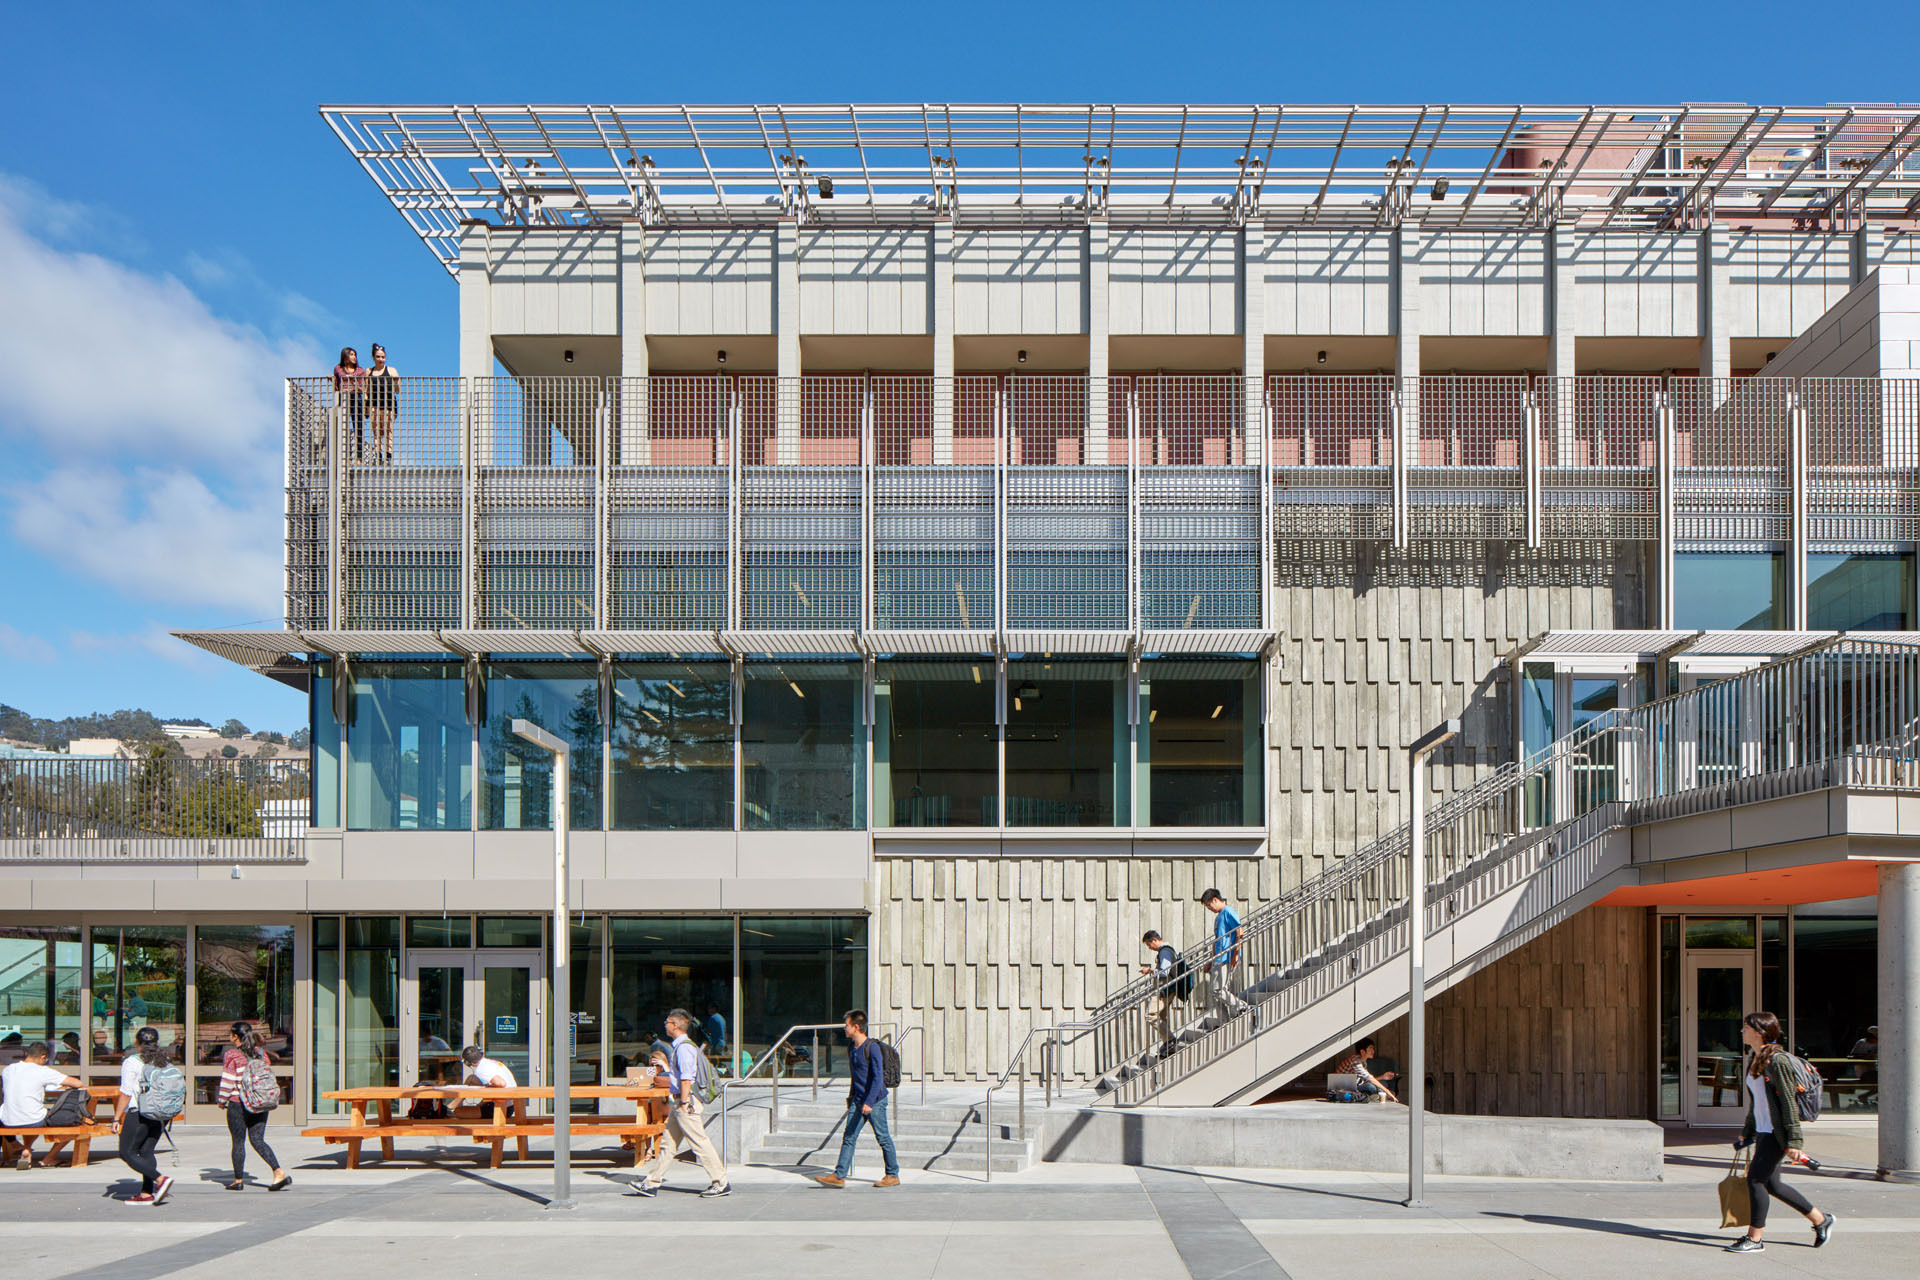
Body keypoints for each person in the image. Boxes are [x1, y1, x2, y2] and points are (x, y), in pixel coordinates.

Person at [1724, 1011, 1835, 1254]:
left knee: (1756, 1180)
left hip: (1777, 1132)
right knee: (1772, 1185)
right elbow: (1758, 1102)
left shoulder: (1778, 1061)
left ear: (1759, 1032)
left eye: (1746, 1027)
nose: (1742, 1031)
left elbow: (1788, 1103)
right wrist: (1748, 1131)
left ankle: (1754, 1238)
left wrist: (1794, 1141)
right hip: (1764, 1130)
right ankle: (1821, 1220)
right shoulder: (1756, 1058)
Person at [627, 1008, 729, 1199]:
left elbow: (686, 1078)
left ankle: (721, 1182)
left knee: (699, 1142)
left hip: (686, 1101)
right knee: (668, 1144)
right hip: (681, 1101)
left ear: (674, 1025)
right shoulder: (680, 1046)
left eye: (667, 1022)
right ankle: (651, 1183)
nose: (664, 1025)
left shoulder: (684, 1048)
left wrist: (684, 1101)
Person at [814, 1010, 901, 1189]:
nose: (844, 1028)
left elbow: (877, 1078)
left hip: (875, 1101)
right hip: (858, 1099)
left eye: (846, 1025)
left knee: (883, 1137)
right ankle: (839, 1176)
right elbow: (856, 1077)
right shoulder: (852, 1048)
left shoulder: (872, 1048)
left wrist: (869, 1102)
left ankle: (892, 1175)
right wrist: (853, 1098)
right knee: (849, 1137)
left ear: (856, 1027)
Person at [217, 1021, 290, 1192]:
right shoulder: (262, 1054)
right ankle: (278, 1171)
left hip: (238, 1103)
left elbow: (228, 1080)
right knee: (257, 1139)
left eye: (230, 1034)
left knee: (238, 1142)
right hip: (260, 1102)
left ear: (235, 1036)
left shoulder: (232, 1055)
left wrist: (222, 1100)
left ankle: (238, 1180)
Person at [0, 1040, 87, 1169]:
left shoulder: (8, 1070)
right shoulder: (42, 1071)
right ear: (43, 1057)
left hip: (7, 1120)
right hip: (33, 1119)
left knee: (31, 1113)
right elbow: (78, 1084)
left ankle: (27, 1150)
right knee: (75, 1122)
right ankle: (49, 1158)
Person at [113, 1026, 174, 1205]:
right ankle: (147, 1193)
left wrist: (116, 1117)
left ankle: (160, 1179)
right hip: (161, 1113)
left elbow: (126, 1092)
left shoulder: (131, 1062)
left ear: (137, 1043)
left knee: (126, 1152)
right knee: (146, 1151)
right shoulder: (163, 1060)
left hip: (139, 1111)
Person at [1198, 888, 1250, 1019]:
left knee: (1218, 990)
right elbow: (1217, 940)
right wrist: (1210, 961)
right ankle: (1224, 1020)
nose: (1209, 909)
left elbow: (1240, 931)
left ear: (1215, 900)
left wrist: (1236, 953)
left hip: (1226, 957)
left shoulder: (1228, 912)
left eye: (1209, 905)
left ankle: (1242, 1006)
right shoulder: (1218, 917)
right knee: (1215, 992)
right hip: (1218, 957)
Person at [454, 1045, 519, 1121]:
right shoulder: (493, 1062)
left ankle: (451, 1109)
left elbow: (501, 1083)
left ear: (468, 1063)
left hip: (500, 1107)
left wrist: (487, 1087)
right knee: (471, 1078)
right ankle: (452, 1106)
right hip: (509, 1105)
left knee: (458, 1112)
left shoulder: (481, 1069)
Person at [1140, 930, 1179, 1051]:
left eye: (1149, 945)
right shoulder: (1167, 951)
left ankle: (1170, 1040)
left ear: (1155, 940)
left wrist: (1149, 971)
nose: (1150, 948)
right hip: (1167, 989)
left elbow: (1164, 972)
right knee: (1161, 1017)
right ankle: (1169, 1044)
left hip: (1164, 989)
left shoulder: (1165, 952)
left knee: (1150, 1015)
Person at [1336, 1037, 1399, 1102]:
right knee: (1370, 1087)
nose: (1373, 1051)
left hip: (1354, 1085)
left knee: (1380, 1083)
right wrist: (1387, 1092)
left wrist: (1383, 1077)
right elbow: (1370, 1079)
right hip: (1344, 1088)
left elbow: (1367, 1079)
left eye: (1373, 1049)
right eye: (1370, 1049)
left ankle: (1375, 1096)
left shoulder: (1363, 1061)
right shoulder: (1356, 1062)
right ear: (1362, 1051)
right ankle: (1377, 1096)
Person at [366, 343, 400, 465]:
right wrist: (366, 406)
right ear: (373, 357)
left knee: (388, 430)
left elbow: (397, 390)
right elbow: (366, 390)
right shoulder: (369, 371)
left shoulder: (391, 370)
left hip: (388, 404)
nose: (381, 359)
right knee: (376, 432)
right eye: (378, 357)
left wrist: (396, 381)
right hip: (374, 404)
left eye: (383, 357)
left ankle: (388, 456)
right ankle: (378, 456)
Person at [333, 346, 368, 462]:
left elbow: (363, 389)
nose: (354, 357)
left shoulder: (360, 371)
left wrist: (353, 382)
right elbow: (336, 386)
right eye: (351, 354)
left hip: (355, 397)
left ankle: (359, 458)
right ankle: (347, 457)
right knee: (344, 427)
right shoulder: (338, 369)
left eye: (355, 355)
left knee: (358, 427)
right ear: (345, 356)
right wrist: (332, 380)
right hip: (343, 398)